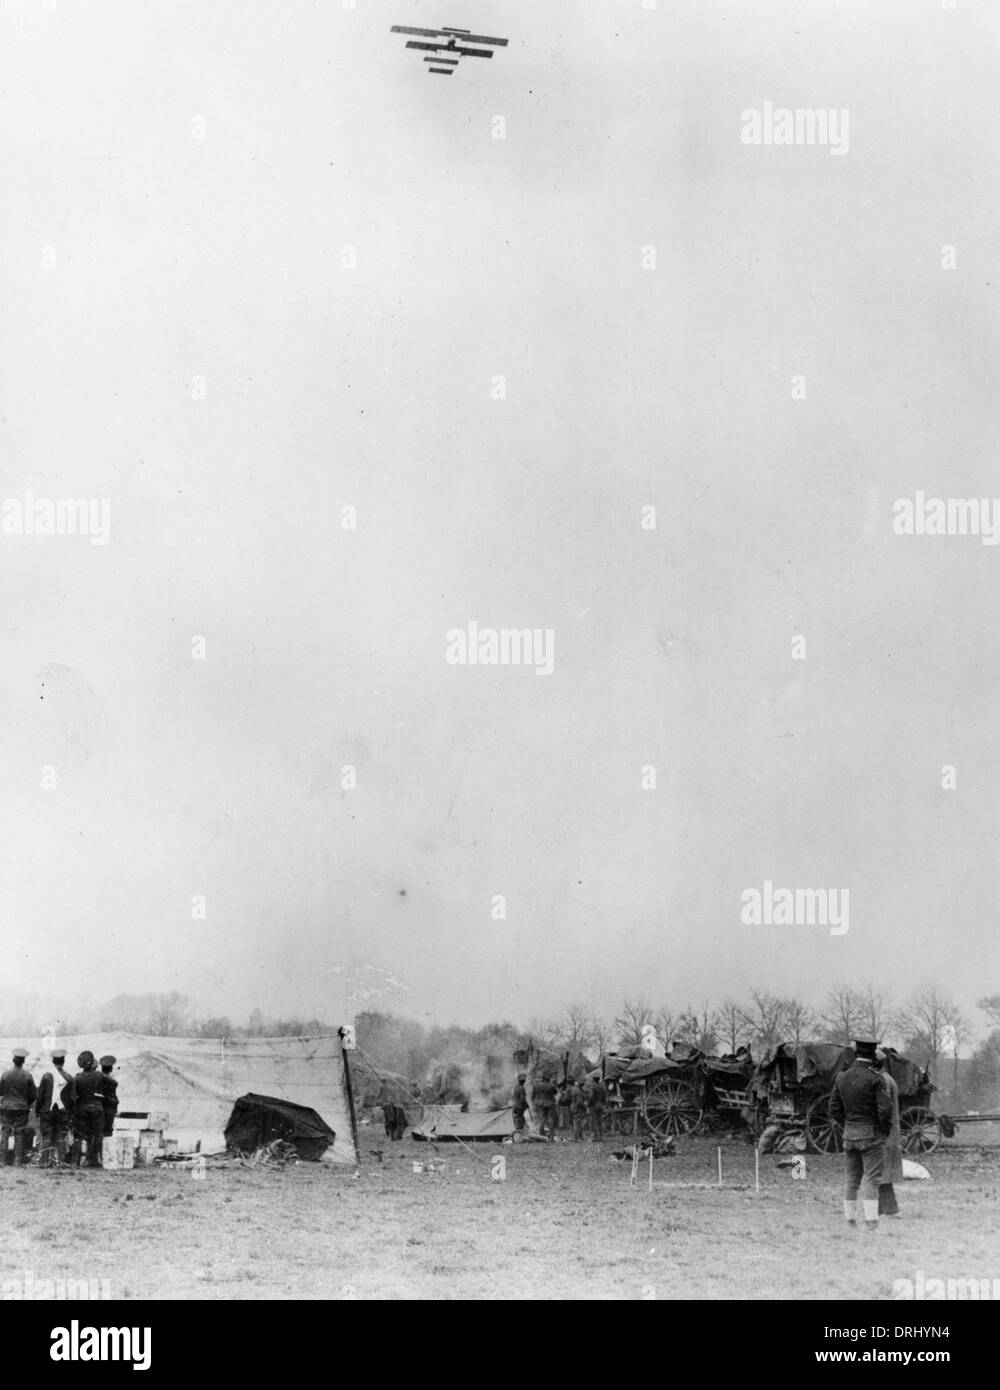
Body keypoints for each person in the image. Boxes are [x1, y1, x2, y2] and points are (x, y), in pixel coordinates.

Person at [828, 1038, 892, 1229]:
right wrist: (883, 1131)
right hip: (871, 1136)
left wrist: (846, 1126)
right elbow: (885, 1111)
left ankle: (850, 1220)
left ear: (856, 1053)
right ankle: (872, 1222)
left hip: (849, 1135)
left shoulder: (841, 1077)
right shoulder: (876, 1079)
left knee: (851, 1179)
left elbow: (833, 1108)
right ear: (873, 1055)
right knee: (871, 1179)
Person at [36, 1048, 76, 1168]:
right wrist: (70, 1112)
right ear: (63, 1061)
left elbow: (40, 1096)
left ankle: (44, 1161)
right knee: (60, 1136)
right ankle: (60, 1161)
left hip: (47, 1111)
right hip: (62, 1112)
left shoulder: (46, 1076)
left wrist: (38, 1111)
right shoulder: (69, 1078)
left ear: (53, 1061)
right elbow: (73, 1098)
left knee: (47, 1136)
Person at [875, 1050, 903, 1217]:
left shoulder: (883, 1081)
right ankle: (880, 1209)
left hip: (884, 1134)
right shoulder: (887, 1079)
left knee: (882, 1173)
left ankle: (892, 1209)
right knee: (880, 1172)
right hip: (888, 1133)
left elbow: (883, 1110)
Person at [0, 1048, 37, 1167]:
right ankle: (17, 1161)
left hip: (6, 1107)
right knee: (19, 1133)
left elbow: (1, 1091)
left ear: (13, 1060)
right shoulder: (28, 1075)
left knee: (5, 1132)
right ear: (23, 1061)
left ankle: (2, 1160)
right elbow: (33, 1095)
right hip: (21, 1108)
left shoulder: (5, 1074)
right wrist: (25, 1103)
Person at [71, 1051, 105, 1169]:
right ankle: (95, 1160)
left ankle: (76, 1161)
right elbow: (112, 1085)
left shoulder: (78, 1077)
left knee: (79, 1135)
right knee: (96, 1135)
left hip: (82, 1109)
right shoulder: (99, 1075)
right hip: (96, 1108)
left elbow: (73, 1095)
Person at [99, 1055, 119, 1140]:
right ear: (111, 1069)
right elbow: (111, 1097)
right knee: (106, 1135)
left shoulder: (98, 1078)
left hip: (99, 1111)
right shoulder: (111, 1082)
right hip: (108, 1111)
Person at [531, 1074, 557, 1138]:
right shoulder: (552, 1085)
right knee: (550, 1119)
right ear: (549, 1079)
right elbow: (555, 1093)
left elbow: (533, 1095)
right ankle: (551, 1136)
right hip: (550, 1104)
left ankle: (541, 1135)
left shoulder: (536, 1085)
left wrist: (534, 1103)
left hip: (540, 1104)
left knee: (542, 1119)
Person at [584, 1073, 607, 1142]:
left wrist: (588, 1103)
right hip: (600, 1106)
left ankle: (596, 1137)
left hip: (594, 1107)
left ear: (593, 1080)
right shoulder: (602, 1088)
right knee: (600, 1121)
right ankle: (601, 1137)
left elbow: (591, 1097)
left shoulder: (593, 1087)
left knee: (594, 1122)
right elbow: (604, 1098)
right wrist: (603, 1104)